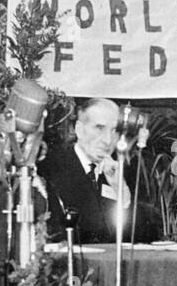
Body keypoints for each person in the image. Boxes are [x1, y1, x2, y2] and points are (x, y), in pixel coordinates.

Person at [38, 97, 153, 244]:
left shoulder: (126, 172)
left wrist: (121, 191)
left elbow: (146, 237)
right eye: (99, 128)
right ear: (79, 130)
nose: (107, 140)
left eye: (114, 131)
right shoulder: (50, 169)